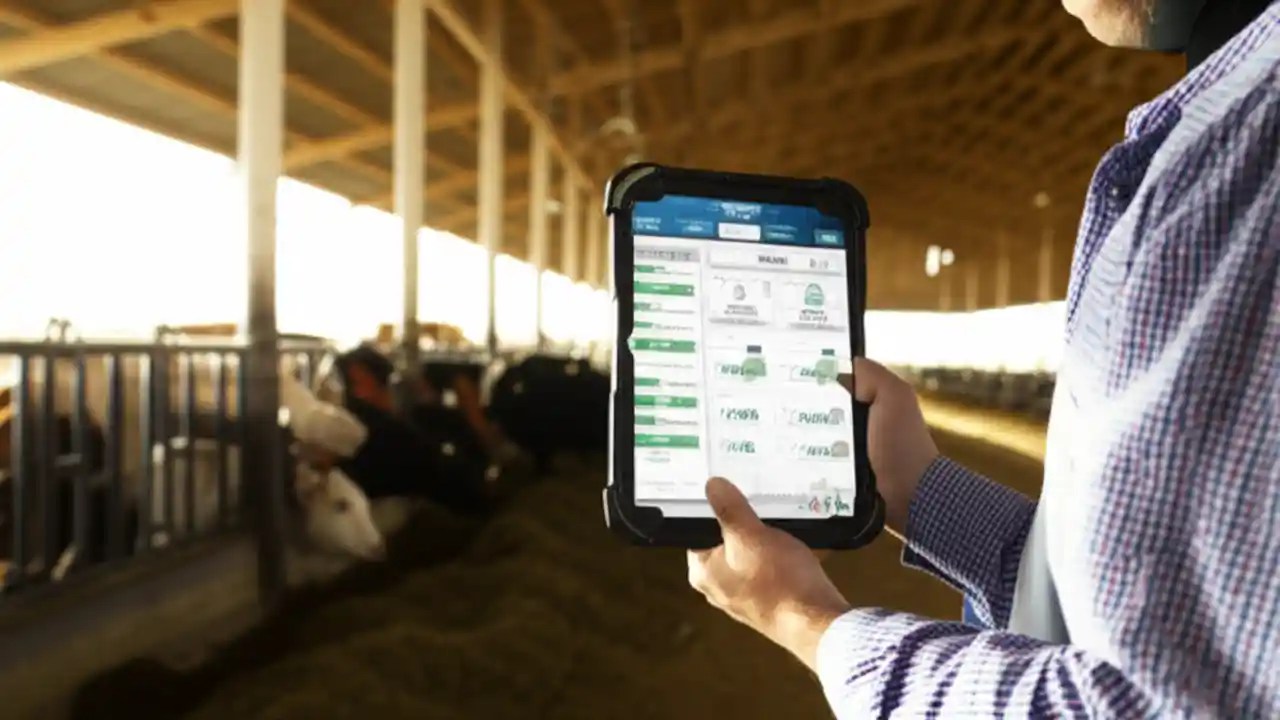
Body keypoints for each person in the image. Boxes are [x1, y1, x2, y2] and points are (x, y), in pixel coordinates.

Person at [687, 1, 1278, 717]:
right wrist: (917, 489)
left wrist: (805, 620)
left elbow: (1151, 698)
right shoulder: (1218, 129)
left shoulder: (1251, 160)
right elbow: (1137, 600)